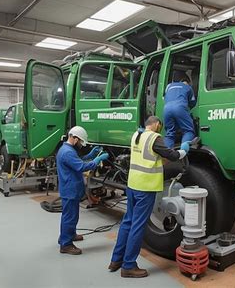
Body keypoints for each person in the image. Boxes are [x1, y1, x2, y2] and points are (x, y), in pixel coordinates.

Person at [108, 116, 189, 278]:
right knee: (138, 226)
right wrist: (184, 150)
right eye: (161, 126)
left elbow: (148, 157)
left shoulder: (136, 135)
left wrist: (161, 160)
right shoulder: (154, 137)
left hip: (132, 185)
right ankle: (129, 266)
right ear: (157, 124)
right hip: (145, 188)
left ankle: (116, 260)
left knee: (128, 222)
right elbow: (172, 155)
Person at [57, 126, 109, 255]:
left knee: (70, 215)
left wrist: (90, 155)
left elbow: (77, 161)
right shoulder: (68, 152)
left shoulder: (66, 149)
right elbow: (81, 166)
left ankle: (69, 235)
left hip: (69, 188)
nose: (81, 145)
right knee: (70, 216)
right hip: (70, 190)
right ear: (74, 138)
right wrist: (97, 160)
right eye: (80, 142)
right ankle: (66, 244)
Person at [163, 70, 197, 148]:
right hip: (180, 107)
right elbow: (193, 103)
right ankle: (182, 153)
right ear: (186, 81)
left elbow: (165, 97)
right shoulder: (188, 87)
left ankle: (168, 156)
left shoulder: (168, 86)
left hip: (166, 108)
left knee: (170, 134)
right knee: (188, 131)